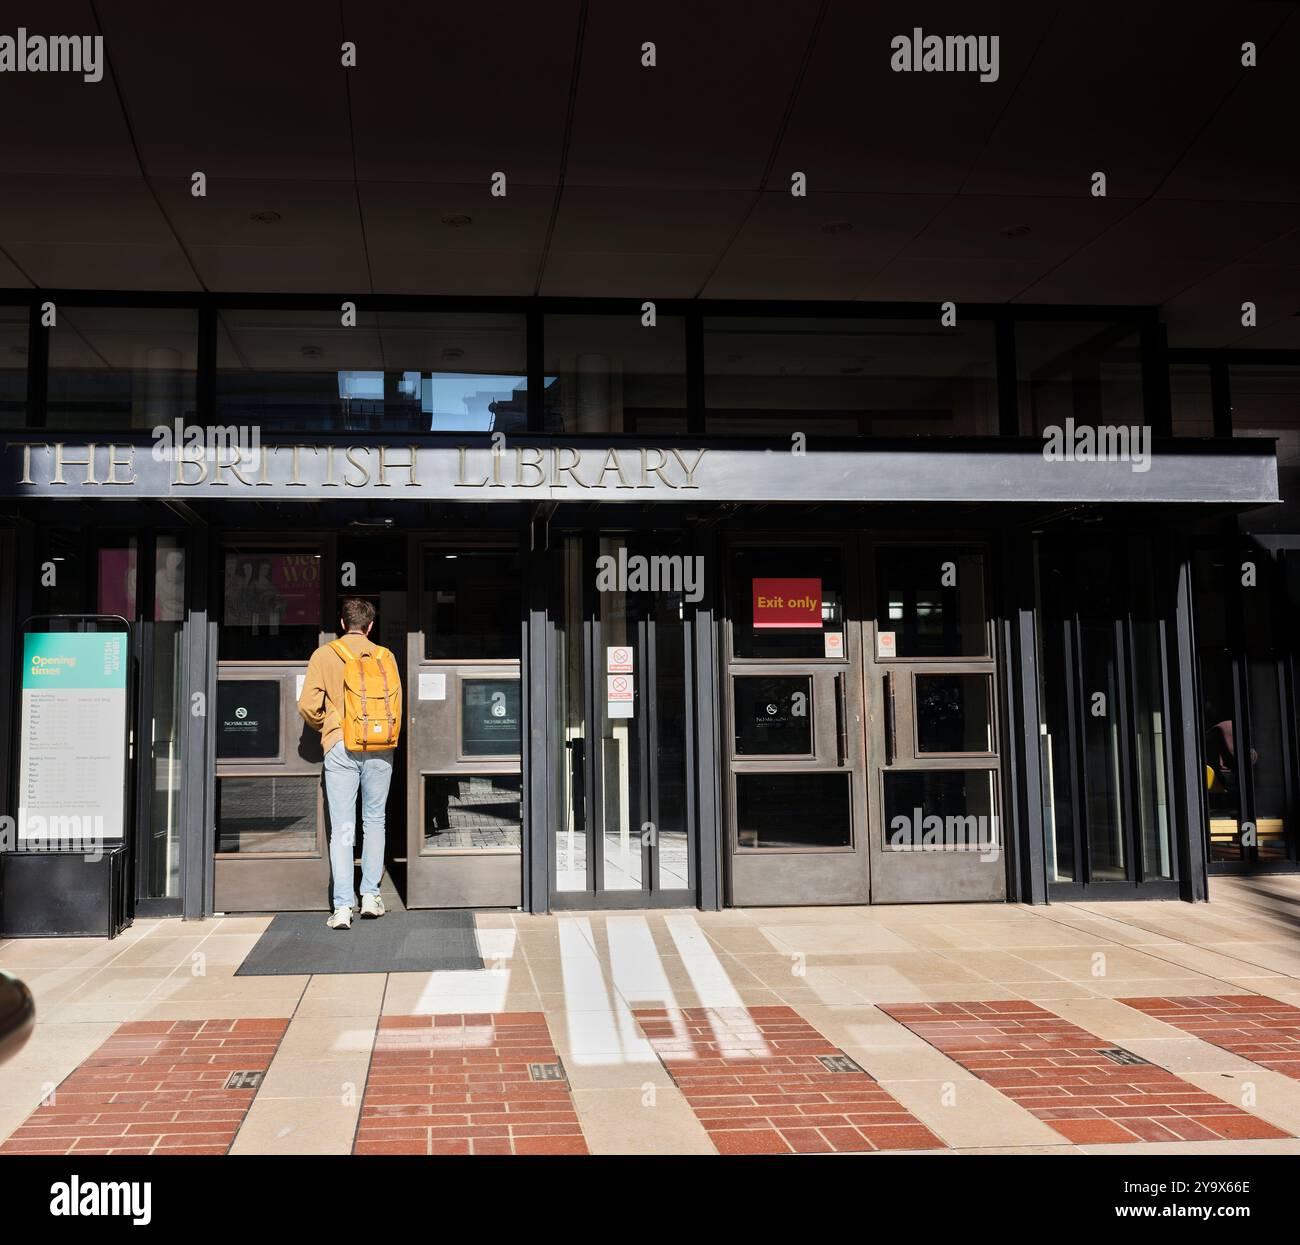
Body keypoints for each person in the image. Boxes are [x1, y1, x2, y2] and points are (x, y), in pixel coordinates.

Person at [298, 598, 400, 929]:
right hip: (380, 745)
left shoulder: (325, 655)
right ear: (370, 626)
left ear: (342, 624)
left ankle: (343, 906)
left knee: (342, 826)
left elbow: (307, 707)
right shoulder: (385, 656)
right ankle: (371, 896)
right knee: (375, 821)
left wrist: (327, 726)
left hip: (341, 744)